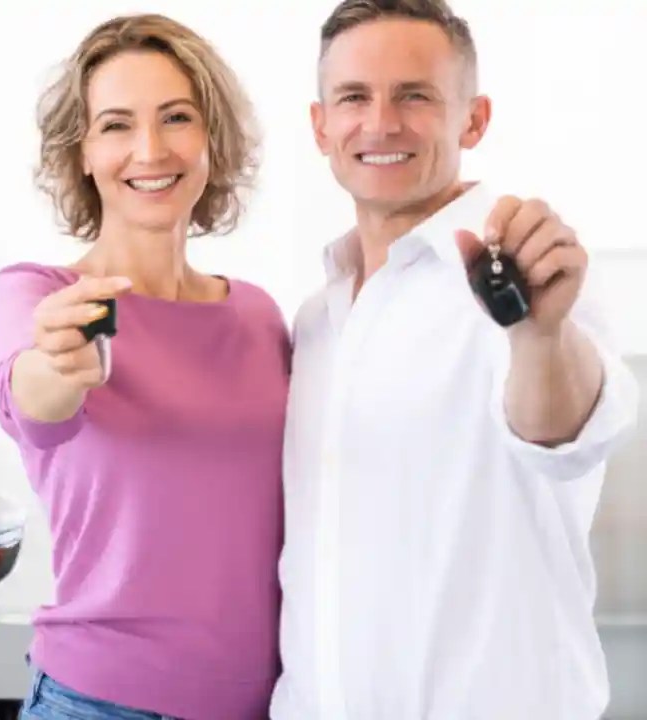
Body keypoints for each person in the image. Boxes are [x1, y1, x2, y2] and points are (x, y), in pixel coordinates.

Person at [270, 1, 639, 718]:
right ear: (320, 126)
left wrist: (536, 335)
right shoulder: (317, 320)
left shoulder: (526, 280)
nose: (380, 124)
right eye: (354, 97)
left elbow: (562, 435)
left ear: (473, 120)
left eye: (415, 95)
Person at [0, 13, 288, 720]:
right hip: (98, 704)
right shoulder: (40, 295)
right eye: (116, 125)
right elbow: (29, 396)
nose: (149, 149)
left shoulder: (260, 316)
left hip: (269, 703)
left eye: (176, 117)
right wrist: (58, 365)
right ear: (83, 152)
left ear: (211, 139)